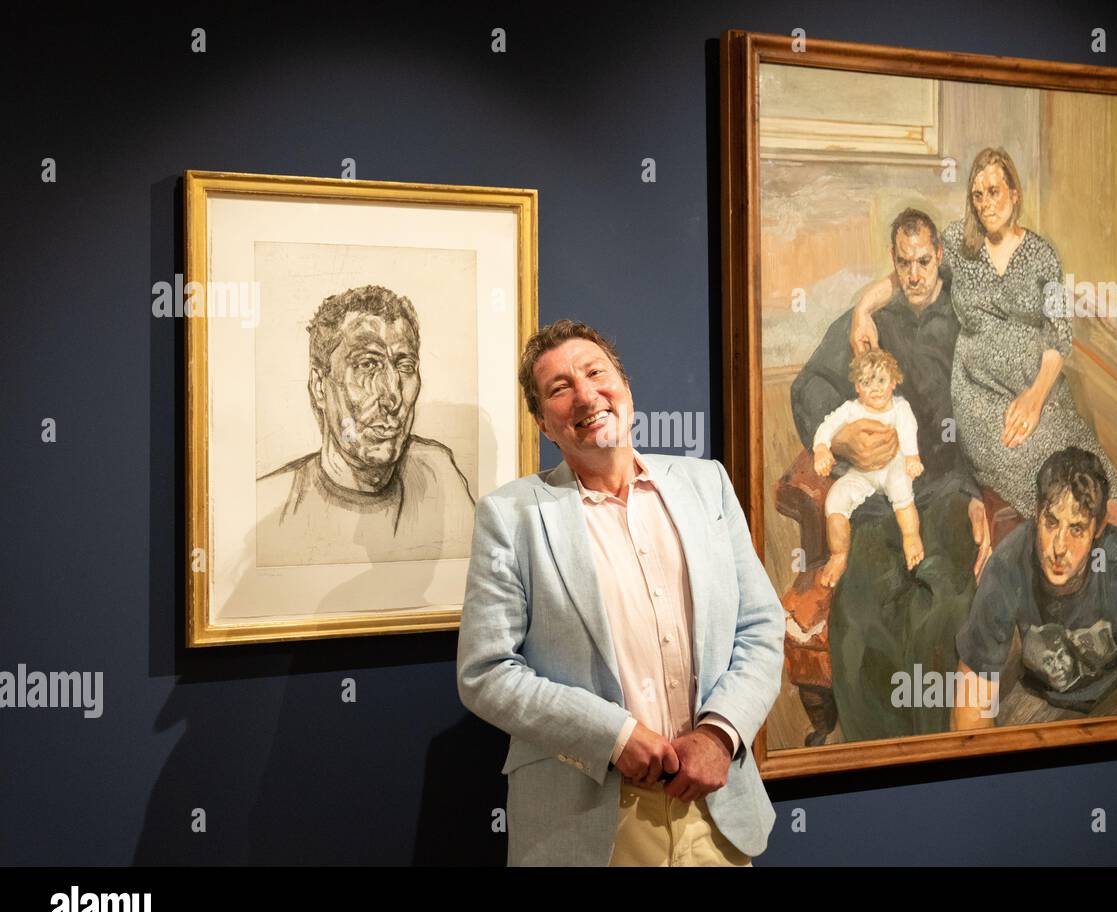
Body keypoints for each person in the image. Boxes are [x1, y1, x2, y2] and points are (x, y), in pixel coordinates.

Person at [456, 319, 784, 866]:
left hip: (715, 808)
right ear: (543, 422)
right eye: (559, 388)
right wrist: (614, 736)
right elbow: (485, 672)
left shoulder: (708, 486)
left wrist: (721, 735)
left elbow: (761, 626)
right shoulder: (509, 516)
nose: (585, 394)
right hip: (588, 822)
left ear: (625, 388)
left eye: (595, 372)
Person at [850, 149, 1117, 547]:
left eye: (994, 192)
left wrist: (1036, 398)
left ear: (1015, 193)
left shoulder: (1043, 255)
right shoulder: (958, 244)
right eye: (977, 195)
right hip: (979, 397)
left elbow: (1059, 333)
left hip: (1039, 391)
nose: (986, 204)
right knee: (1042, 469)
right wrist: (863, 309)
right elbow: (906, 273)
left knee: (1098, 476)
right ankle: (1073, 562)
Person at [790, 209, 992, 742]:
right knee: (861, 613)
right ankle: (877, 756)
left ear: (940, 257)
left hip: (945, 485)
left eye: (924, 261)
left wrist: (975, 495)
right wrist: (839, 439)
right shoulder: (870, 325)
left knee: (946, 602)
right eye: (904, 264)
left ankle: (934, 748)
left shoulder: (966, 315)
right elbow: (808, 386)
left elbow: (988, 413)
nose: (915, 275)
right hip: (877, 495)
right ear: (893, 265)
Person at [256, 284, 475, 566]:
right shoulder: (269, 507)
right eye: (367, 365)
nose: (392, 396)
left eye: (404, 366)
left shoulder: (438, 473)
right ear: (320, 386)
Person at [950, 447, 1117, 729]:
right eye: (1051, 522)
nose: (1059, 547)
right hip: (1045, 701)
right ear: (1036, 514)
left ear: (1098, 528)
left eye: (1077, 529)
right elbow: (971, 704)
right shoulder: (1008, 564)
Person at [813, 347, 925, 584]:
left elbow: (908, 430)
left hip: (892, 466)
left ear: (894, 382)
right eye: (866, 382)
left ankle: (911, 536)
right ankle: (839, 554)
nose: (875, 388)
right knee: (835, 498)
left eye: (882, 380)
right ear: (857, 386)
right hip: (862, 473)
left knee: (901, 487)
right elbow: (827, 425)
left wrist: (912, 457)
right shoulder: (851, 409)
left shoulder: (900, 408)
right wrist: (821, 448)